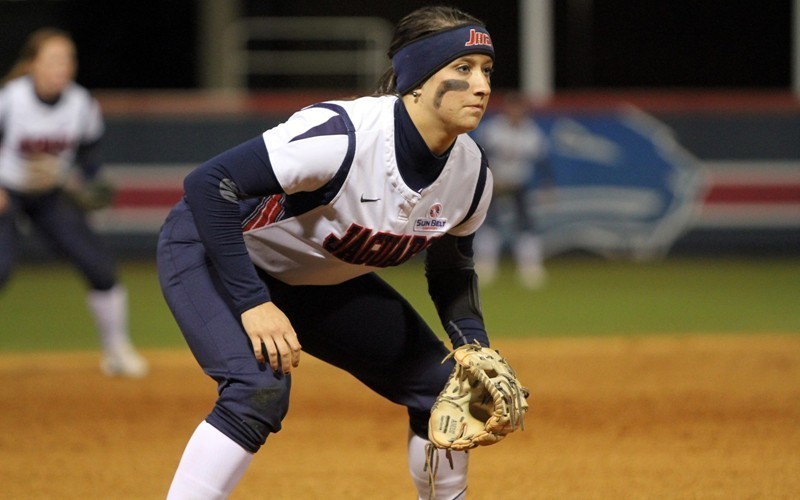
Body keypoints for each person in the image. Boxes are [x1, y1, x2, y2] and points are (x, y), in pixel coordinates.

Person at [157, 5, 503, 499]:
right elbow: (209, 185)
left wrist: (472, 343)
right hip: (216, 250)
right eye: (462, 69)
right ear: (417, 81)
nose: (482, 86)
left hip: (315, 281)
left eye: (487, 71)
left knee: (452, 391)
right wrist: (254, 302)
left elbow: (451, 268)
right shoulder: (345, 136)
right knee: (258, 391)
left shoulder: (470, 176)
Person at [0, 28, 148, 378]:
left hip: (50, 195)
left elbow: (88, 157)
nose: (62, 66)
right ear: (32, 64)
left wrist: (91, 180)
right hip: (7, 193)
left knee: (98, 265)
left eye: (68, 58)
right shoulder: (10, 99)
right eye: (53, 58)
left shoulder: (81, 103)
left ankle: (116, 350)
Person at [472, 91, 551, 289]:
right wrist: (490, 177)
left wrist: (548, 185)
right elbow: (479, 157)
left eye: (519, 108)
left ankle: (530, 268)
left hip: (518, 184)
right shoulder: (493, 129)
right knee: (489, 223)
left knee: (525, 225)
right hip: (495, 184)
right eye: (512, 107)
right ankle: (485, 266)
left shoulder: (531, 132)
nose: (515, 112)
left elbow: (543, 163)